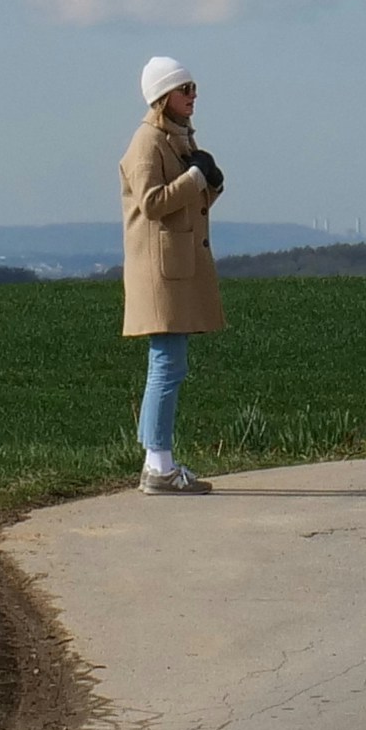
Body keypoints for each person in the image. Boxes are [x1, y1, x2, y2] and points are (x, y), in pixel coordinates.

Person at [120, 51, 225, 492]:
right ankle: (158, 465)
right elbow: (153, 203)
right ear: (163, 96)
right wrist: (196, 180)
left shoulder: (175, 139)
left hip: (174, 269)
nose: (193, 95)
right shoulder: (148, 142)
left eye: (193, 87)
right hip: (160, 273)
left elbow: (187, 210)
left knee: (169, 365)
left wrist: (210, 184)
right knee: (166, 365)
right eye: (184, 89)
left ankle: (156, 459)